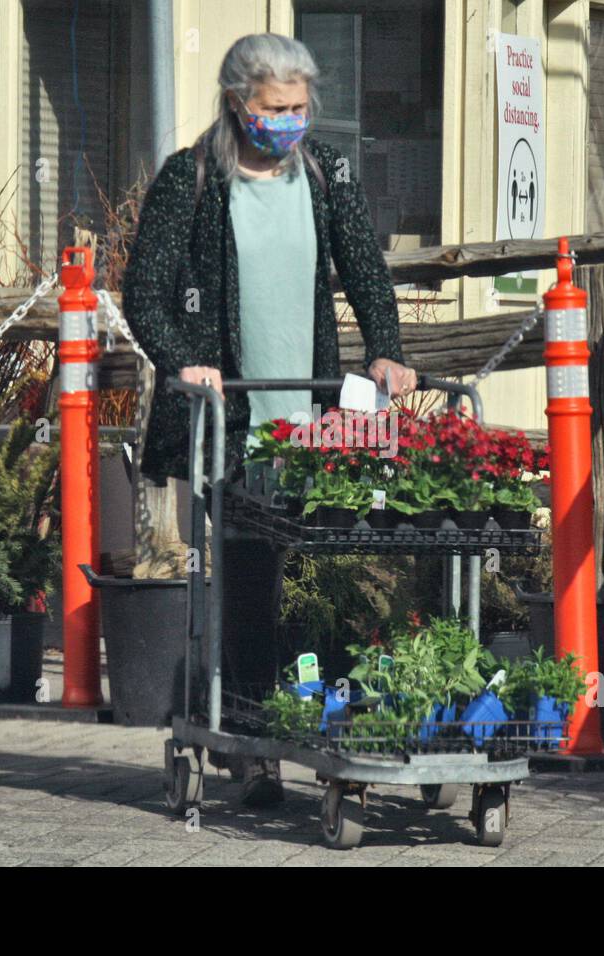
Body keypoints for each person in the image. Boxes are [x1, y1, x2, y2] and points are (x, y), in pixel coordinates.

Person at [122, 33, 416, 805]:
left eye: (298, 107)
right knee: (252, 578)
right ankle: (251, 742)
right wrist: (186, 360)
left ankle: (319, 719)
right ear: (236, 104)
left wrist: (385, 350)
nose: (288, 121)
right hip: (234, 421)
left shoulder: (323, 174)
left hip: (311, 418)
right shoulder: (191, 179)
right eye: (273, 108)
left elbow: (364, 269)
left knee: (323, 579)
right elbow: (145, 294)